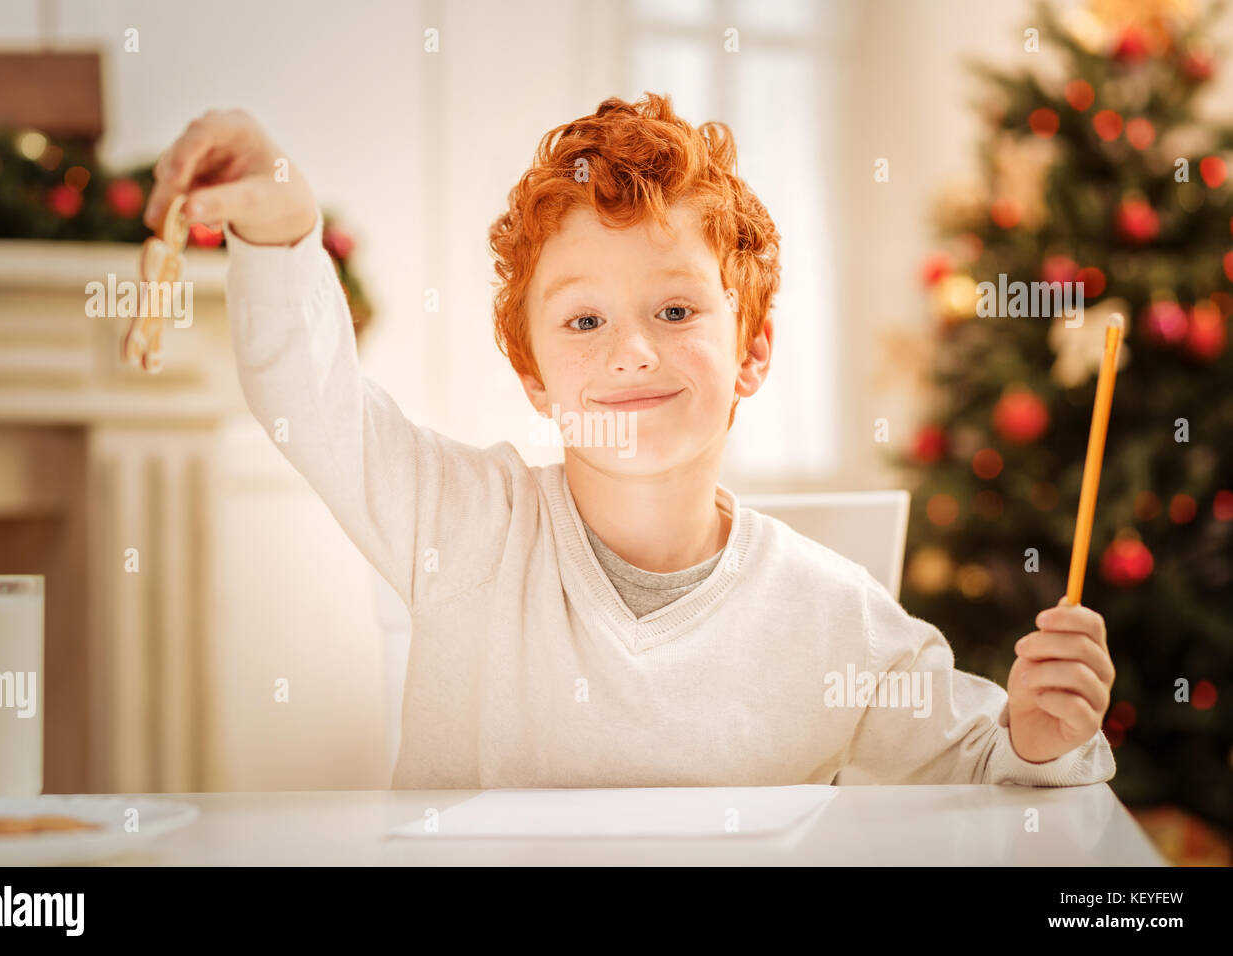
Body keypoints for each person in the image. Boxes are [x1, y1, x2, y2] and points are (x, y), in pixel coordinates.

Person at [144, 95, 1116, 789]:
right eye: (581, 323)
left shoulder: (834, 619)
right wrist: (280, 226)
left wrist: (1037, 736)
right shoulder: (462, 521)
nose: (632, 352)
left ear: (752, 350)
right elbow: (306, 399)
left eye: (677, 308)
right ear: (531, 373)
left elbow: (989, 768)